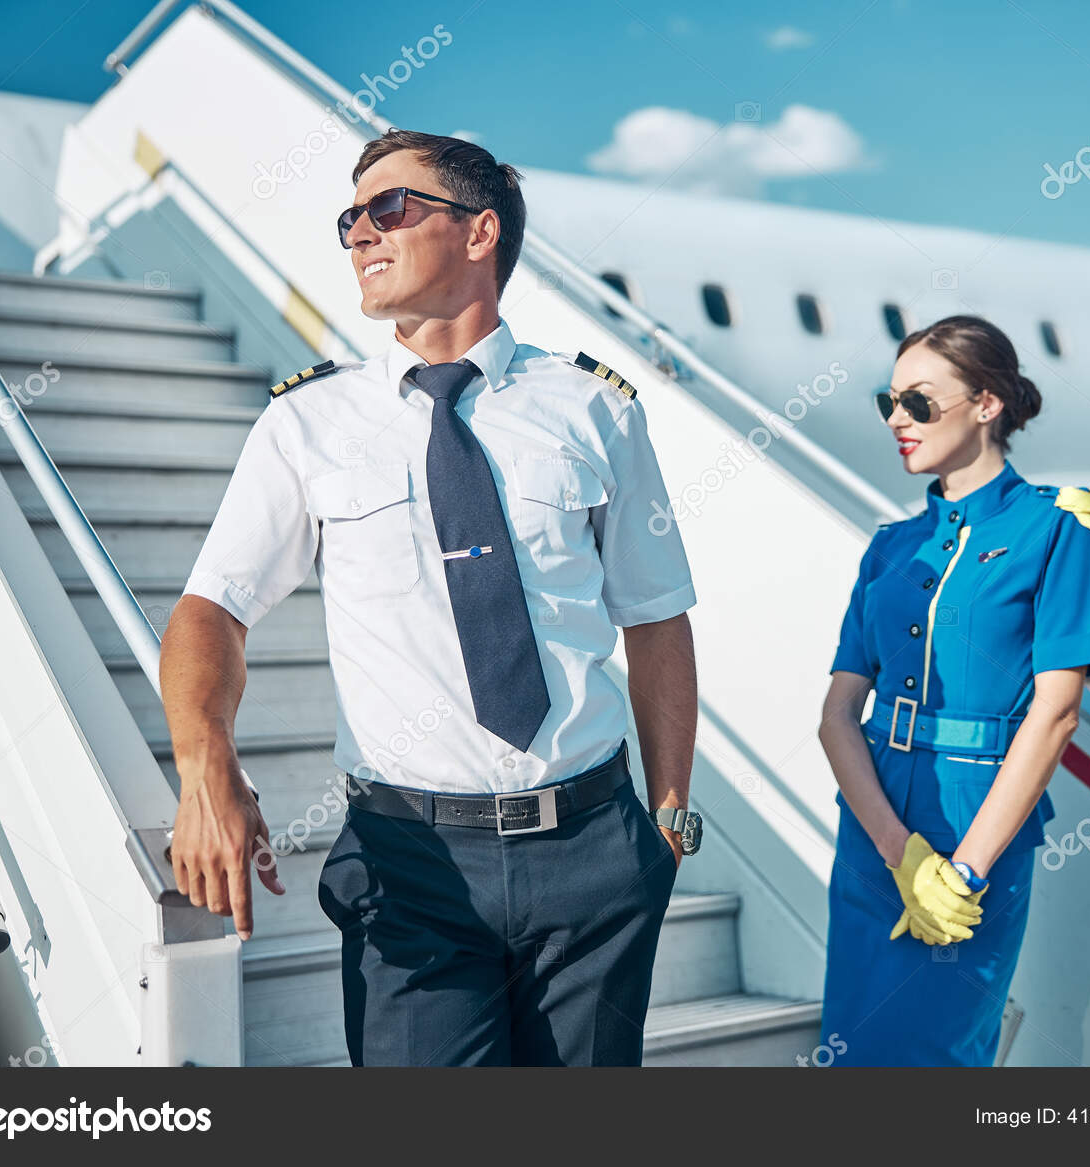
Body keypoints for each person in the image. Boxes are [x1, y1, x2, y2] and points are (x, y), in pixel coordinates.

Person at [159, 129, 703, 1066]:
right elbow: (213, 610)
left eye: (391, 208)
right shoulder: (308, 420)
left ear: (480, 231)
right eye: (350, 218)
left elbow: (655, 618)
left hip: (593, 852)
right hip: (412, 864)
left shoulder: (594, 408)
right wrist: (206, 762)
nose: (361, 233)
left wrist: (666, 817)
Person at [816, 314, 1090, 1066]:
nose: (896, 420)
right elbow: (836, 718)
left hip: (975, 833)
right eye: (888, 402)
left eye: (918, 402)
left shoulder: (1061, 527)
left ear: (987, 404)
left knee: (935, 1054)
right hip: (874, 837)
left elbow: (1055, 714)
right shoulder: (890, 545)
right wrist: (900, 854)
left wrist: (963, 870)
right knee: (851, 1054)